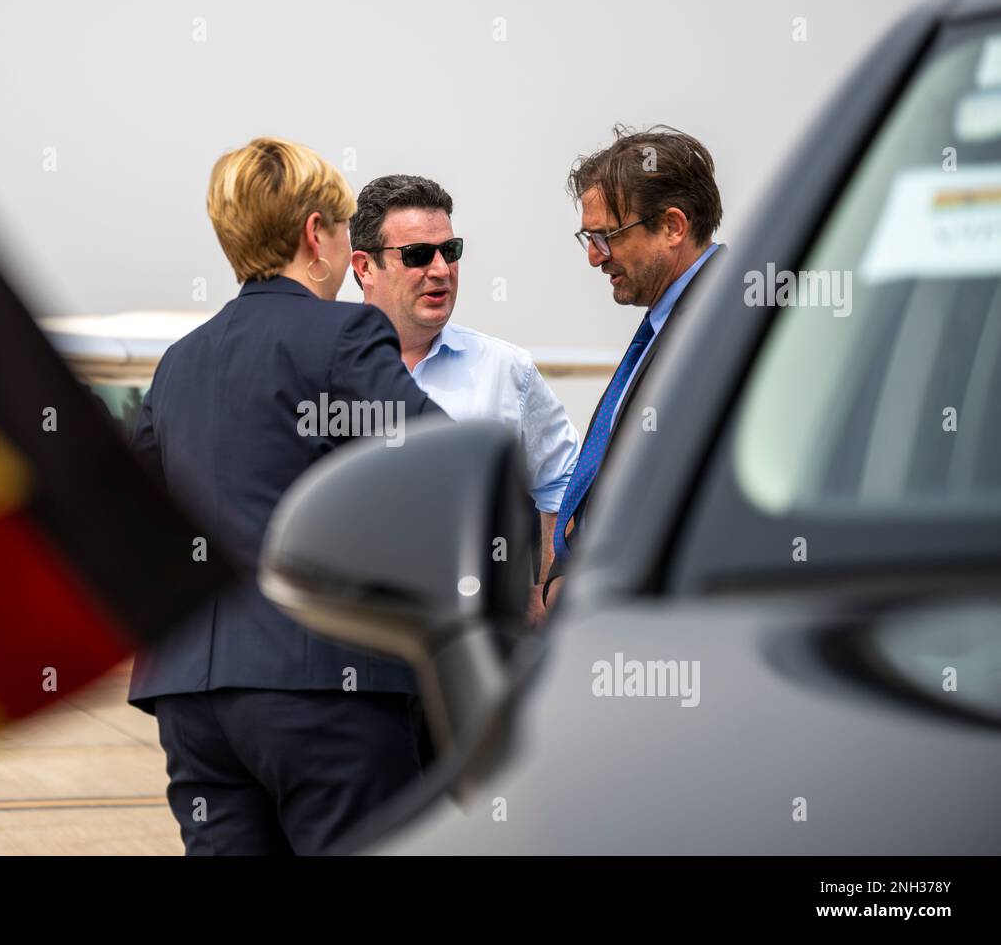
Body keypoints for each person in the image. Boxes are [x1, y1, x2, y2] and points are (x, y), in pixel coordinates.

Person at [126, 137, 447, 855]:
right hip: (323, 688)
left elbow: (138, 516)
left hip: (192, 698)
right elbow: (444, 464)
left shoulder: (179, 363)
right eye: (342, 227)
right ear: (315, 236)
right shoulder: (345, 332)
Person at [349, 175, 580, 626]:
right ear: (364, 267)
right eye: (418, 255)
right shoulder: (320, 368)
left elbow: (565, 481)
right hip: (352, 650)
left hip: (471, 647)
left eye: (449, 251)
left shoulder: (506, 369)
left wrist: (550, 591)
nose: (440, 270)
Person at [544, 125, 725, 609]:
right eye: (588, 237)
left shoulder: (726, 326)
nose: (592, 258)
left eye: (606, 237)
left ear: (672, 226)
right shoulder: (669, 322)